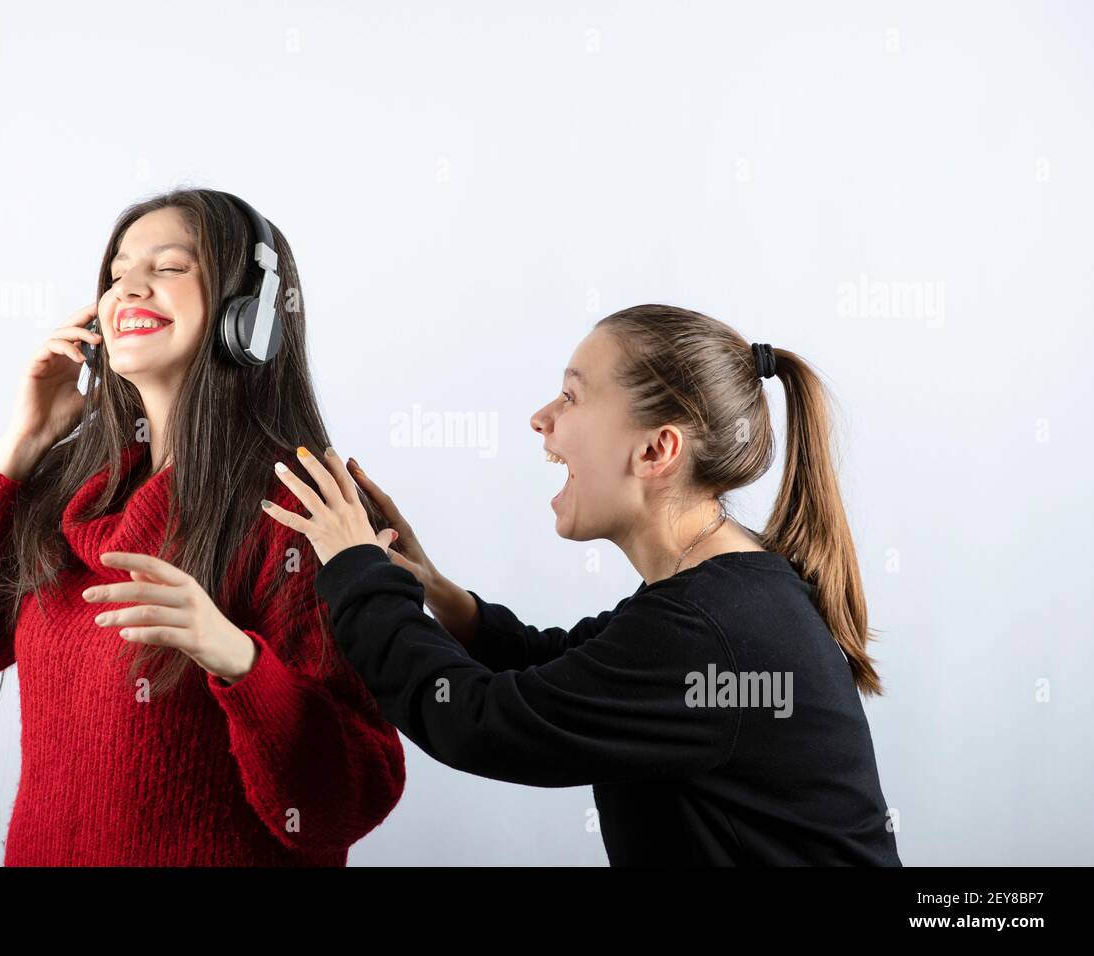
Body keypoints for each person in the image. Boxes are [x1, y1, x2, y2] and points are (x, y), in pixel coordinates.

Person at [262, 304, 902, 866]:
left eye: (571, 397)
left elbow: (479, 721)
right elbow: (562, 664)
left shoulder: (710, 629)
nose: (542, 418)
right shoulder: (730, 595)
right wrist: (431, 587)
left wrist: (354, 572)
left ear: (656, 451)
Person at [0, 188, 405, 866]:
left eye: (168, 267)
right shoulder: (69, 500)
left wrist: (239, 661)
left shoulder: (306, 510)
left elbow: (349, 799)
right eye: (117, 272)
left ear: (249, 316)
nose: (128, 286)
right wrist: (21, 445)